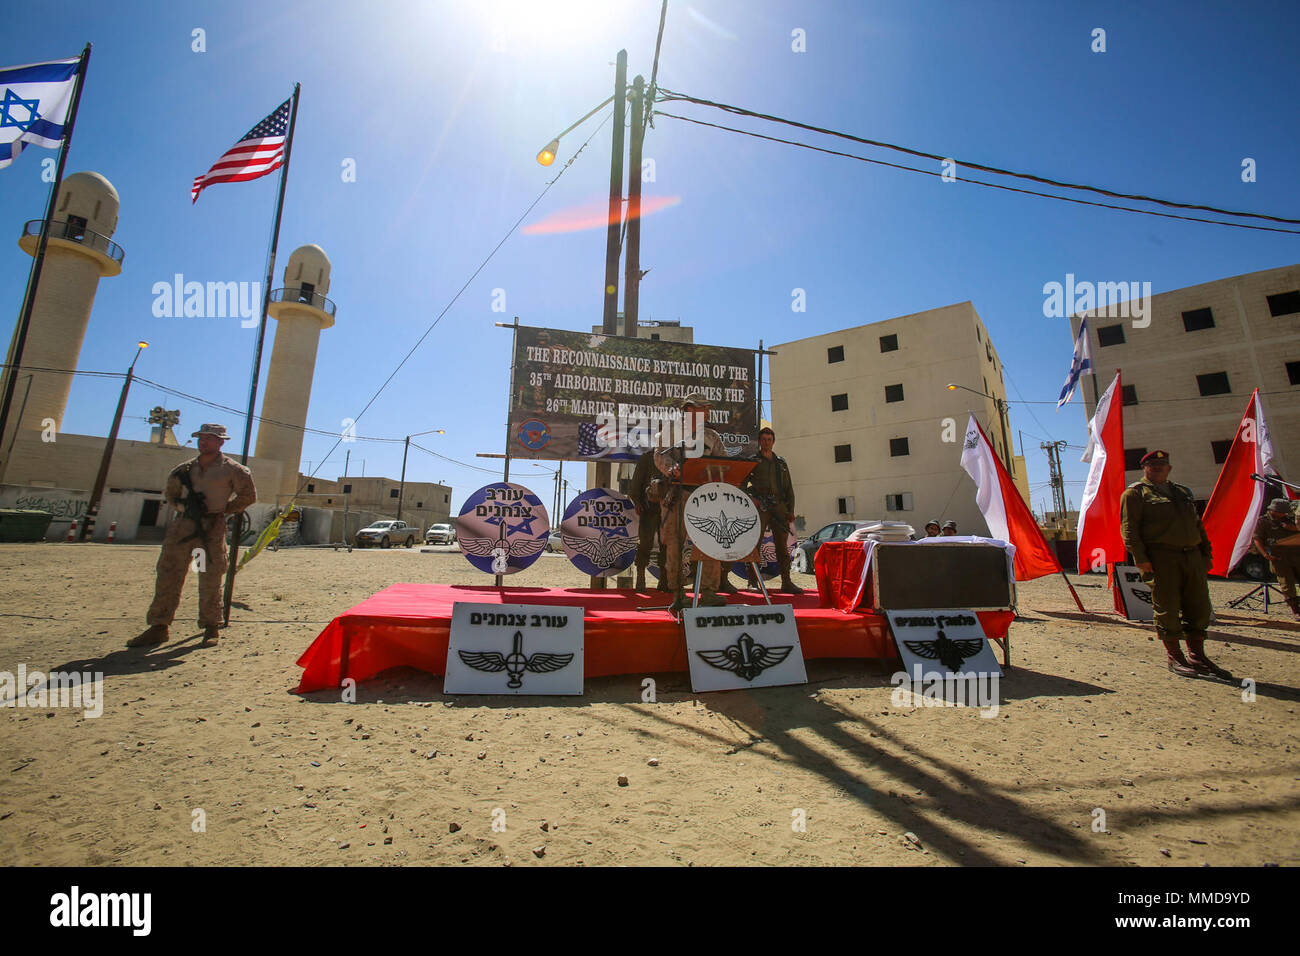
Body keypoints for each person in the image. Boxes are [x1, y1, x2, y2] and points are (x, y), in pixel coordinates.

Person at [129, 424, 257, 648]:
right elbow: (171, 494)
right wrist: (183, 508)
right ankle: (159, 626)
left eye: (209, 438)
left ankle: (211, 626)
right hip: (183, 526)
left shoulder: (233, 470)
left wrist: (224, 510)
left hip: (212, 527)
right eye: (201, 438)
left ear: (220, 442)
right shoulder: (184, 470)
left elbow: (248, 496)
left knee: (210, 575)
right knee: (169, 573)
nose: (204, 442)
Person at [1119, 449, 1231, 680]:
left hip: (1192, 557)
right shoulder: (1135, 494)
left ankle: (1197, 656)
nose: (1158, 468)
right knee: (1167, 607)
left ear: (1169, 468)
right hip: (1161, 557)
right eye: (1153, 465)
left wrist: (1205, 554)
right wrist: (1141, 558)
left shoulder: (1182, 492)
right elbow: (1130, 529)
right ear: (1145, 468)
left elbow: (1197, 525)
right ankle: (1175, 657)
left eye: (1163, 464)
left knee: (1198, 606)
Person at [654, 392, 726, 609]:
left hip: (707, 495)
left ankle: (709, 591)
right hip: (678, 494)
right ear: (688, 409)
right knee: (675, 544)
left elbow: (723, 461)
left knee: (711, 541)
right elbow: (659, 455)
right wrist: (671, 468)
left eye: (707, 407)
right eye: (702, 407)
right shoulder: (671, 432)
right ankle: (678, 593)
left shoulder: (712, 436)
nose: (707, 411)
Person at [741, 426, 802, 594]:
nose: (766, 443)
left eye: (769, 440)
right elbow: (742, 484)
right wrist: (752, 499)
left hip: (779, 507)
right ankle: (753, 581)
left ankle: (786, 582)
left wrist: (790, 510)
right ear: (759, 442)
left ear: (773, 442)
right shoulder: (753, 460)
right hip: (761, 506)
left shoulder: (780, 463)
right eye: (763, 440)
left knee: (782, 546)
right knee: (755, 543)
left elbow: (789, 488)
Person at [1252, 498, 1300, 620]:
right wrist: (1265, 555)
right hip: (1279, 557)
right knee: (1287, 584)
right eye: (1282, 512)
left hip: (1296, 554)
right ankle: (1296, 610)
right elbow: (1257, 539)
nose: (1285, 514)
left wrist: (1293, 528)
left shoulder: (1291, 519)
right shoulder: (1264, 522)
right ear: (1274, 511)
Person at [627, 448, 667, 593]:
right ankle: (641, 577)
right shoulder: (647, 458)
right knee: (645, 543)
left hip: (669, 507)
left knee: (667, 545)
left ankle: (664, 579)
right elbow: (636, 481)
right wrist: (637, 501)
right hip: (648, 506)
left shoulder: (674, 455)